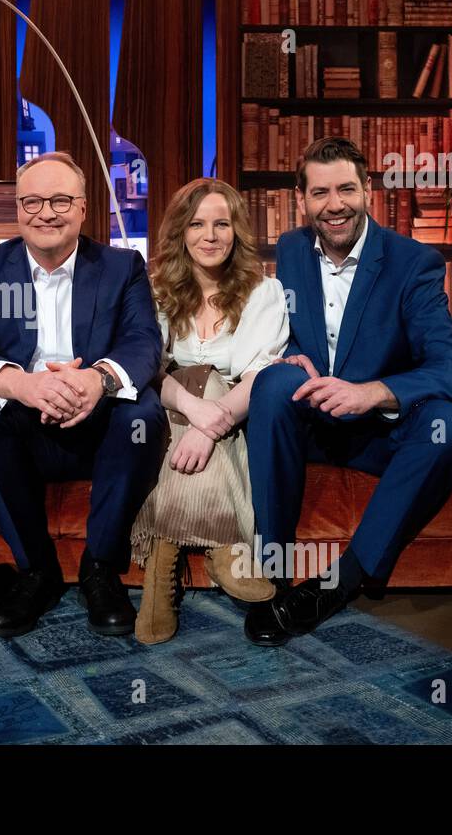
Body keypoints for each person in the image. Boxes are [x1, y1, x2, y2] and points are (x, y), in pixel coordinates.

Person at [244, 136, 452, 646]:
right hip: (314, 425)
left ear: (367, 189)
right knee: (274, 382)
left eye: (347, 189)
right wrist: (284, 353)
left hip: (379, 433)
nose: (335, 205)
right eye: (321, 192)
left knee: (451, 424)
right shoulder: (290, 250)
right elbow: (280, 329)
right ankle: (273, 571)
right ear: (300, 199)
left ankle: (339, 581)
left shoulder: (412, 263)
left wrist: (375, 392)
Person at [0, 151, 165, 639]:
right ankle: (37, 572)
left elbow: (144, 341)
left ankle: (100, 569)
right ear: (18, 208)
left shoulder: (121, 265)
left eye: (61, 200)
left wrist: (96, 381)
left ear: (84, 208)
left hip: (98, 417)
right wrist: (24, 384)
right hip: (23, 418)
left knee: (144, 412)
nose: (46, 212)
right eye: (33, 201)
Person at [130, 178, 289, 644]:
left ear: (236, 230)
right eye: (197, 224)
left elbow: (258, 373)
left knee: (214, 377)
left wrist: (211, 420)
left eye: (222, 224)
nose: (210, 235)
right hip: (172, 409)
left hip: (234, 416)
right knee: (183, 380)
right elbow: (145, 370)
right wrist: (195, 411)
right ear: (181, 232)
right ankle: (226, 547)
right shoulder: (153, 292)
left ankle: (161, 567)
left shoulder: (265, 292)